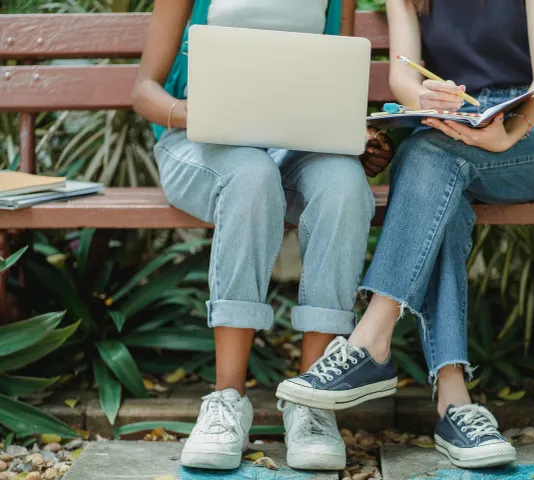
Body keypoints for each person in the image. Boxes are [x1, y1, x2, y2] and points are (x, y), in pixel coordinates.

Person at [278, 0, 534, 469]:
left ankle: (371, 339)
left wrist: (507, 133)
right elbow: (403, 78)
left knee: (426, 157)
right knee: (437, 180)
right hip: (452, 123)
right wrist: (425, 100)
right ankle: (455, 404)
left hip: (526, 132)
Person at [132, 0, 393, 471]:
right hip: (200, 144)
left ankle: (313, 403)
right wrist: (197, 113)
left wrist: (358, 137)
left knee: (346, 188)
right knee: (251, 177)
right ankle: (226, 401)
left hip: (297, 146)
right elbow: (144, 92)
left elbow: (338, 90)